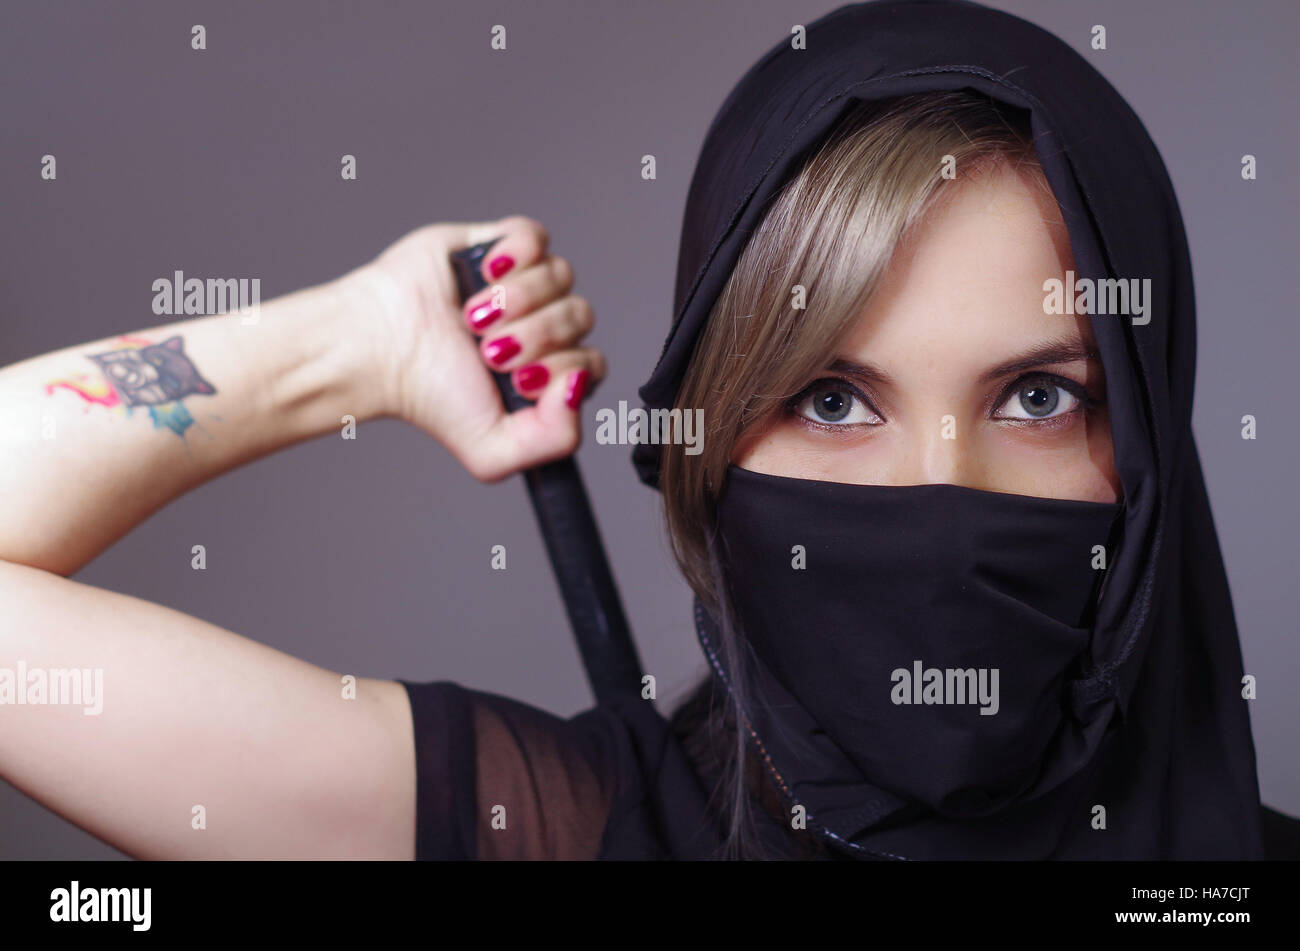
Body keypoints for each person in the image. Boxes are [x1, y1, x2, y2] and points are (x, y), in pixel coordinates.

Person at [1, 0, 1296, 861]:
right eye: (834, 400)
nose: (933, 489)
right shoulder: (569, 827)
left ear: (1143, 444)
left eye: (1036, 396)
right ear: (713, 448)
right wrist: (354, 347)